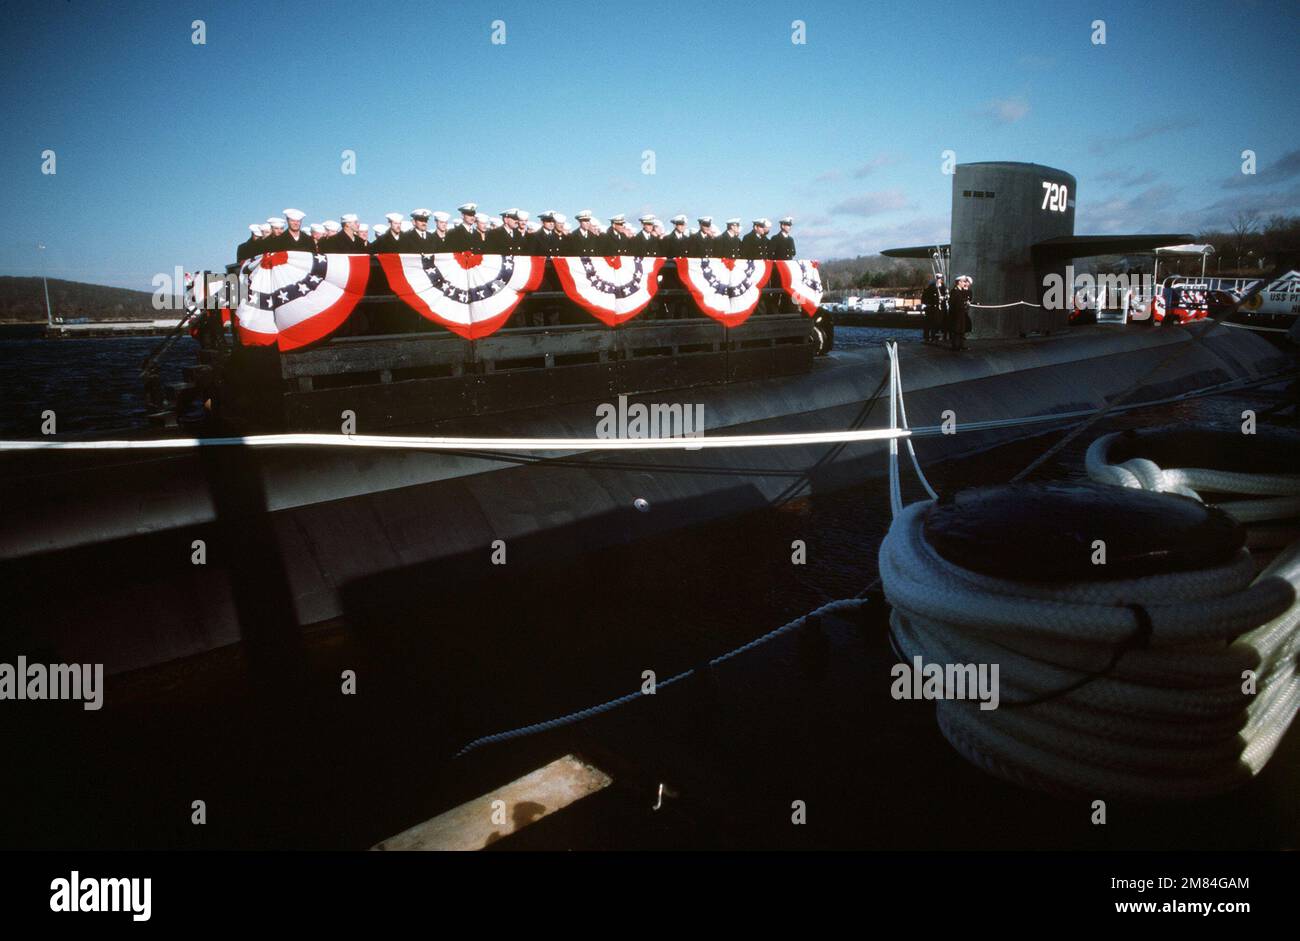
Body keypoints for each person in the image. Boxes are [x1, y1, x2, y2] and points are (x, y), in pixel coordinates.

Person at [921, 273, 947, 344]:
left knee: (940, 323)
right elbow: (925, 297)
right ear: (936, 279)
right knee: (931, 323)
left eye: (941, 279)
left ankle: (938, 336)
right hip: (933, 308)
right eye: (938, 279)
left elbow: (946, 296)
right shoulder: (931, 287)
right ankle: (930, 337)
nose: (939, 280)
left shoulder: (943, 287)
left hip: (941, 308)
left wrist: (944, 298)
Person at [949, 275, 972, 351]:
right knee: (956, 330)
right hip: (956, 314)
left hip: (962, 313)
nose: (965, 283)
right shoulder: (954, 291)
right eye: (963, 282)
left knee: (962, 330)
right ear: (959, 282)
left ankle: (961, 346)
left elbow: (965, 300)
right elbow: (951, 303)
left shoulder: (962, 291)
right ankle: (955, 346)